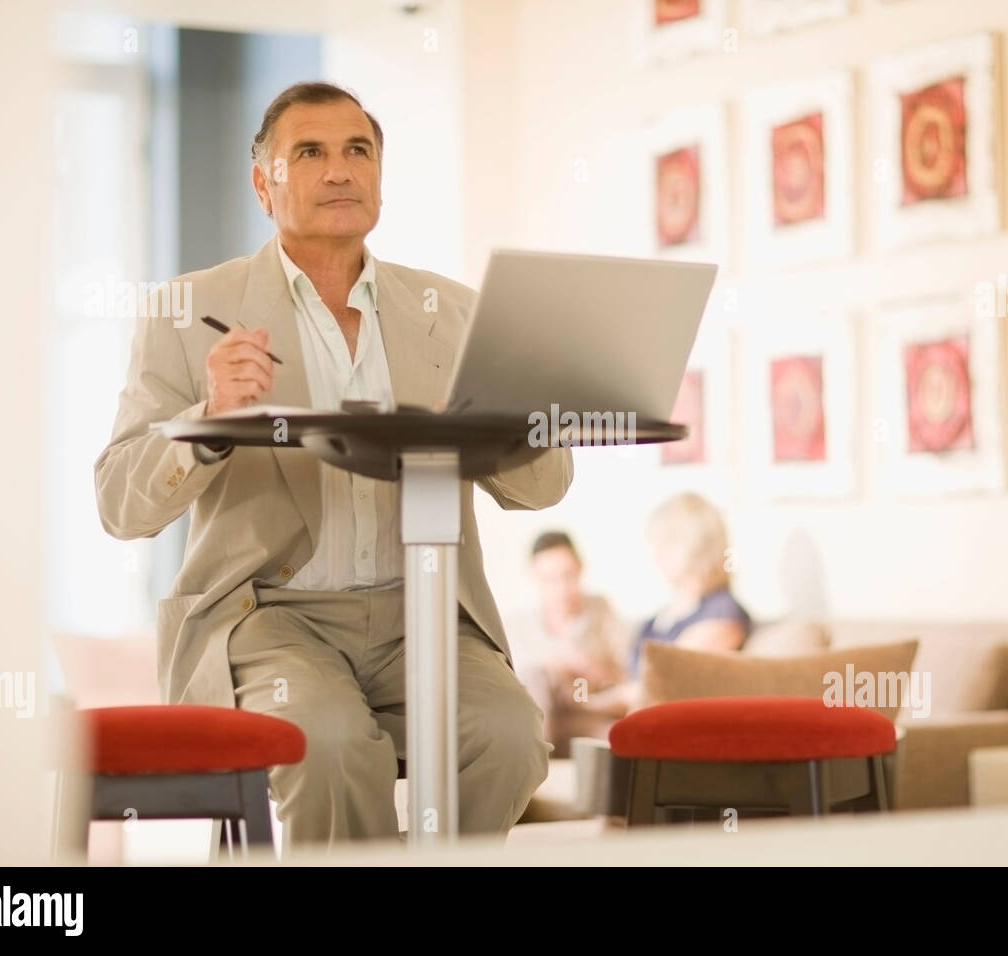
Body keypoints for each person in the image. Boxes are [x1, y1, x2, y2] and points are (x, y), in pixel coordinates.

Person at [94, 81, 573, 849]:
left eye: (359, 151)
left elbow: (543, 487)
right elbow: (119, 505)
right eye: (309, 153)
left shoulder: (452, 312)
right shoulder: (186, 311)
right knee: (333, 743)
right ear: (265, 182)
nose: (340, 170)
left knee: (509, 736)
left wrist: (523, 410)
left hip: (425, 616)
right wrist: (207, 420)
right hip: (269, 618)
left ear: (379, 174)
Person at [588, 492, 751, 716]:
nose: (655, 554)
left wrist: (591, 703)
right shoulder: (663, 615)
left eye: (664, 544)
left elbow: (663, 680)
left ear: (693, 545)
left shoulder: (721, 613)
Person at [505, 531, 628, 758]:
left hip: (586, 713)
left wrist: (589, 668)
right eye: (549, 580)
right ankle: (531, 761)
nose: (561, 588)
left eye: (567, 576)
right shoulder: (519, 627)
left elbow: (627, 676)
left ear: (580, 569)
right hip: (543, 717)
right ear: (535, 579)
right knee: (535, 676)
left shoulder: (601, 612)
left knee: (618, 738)